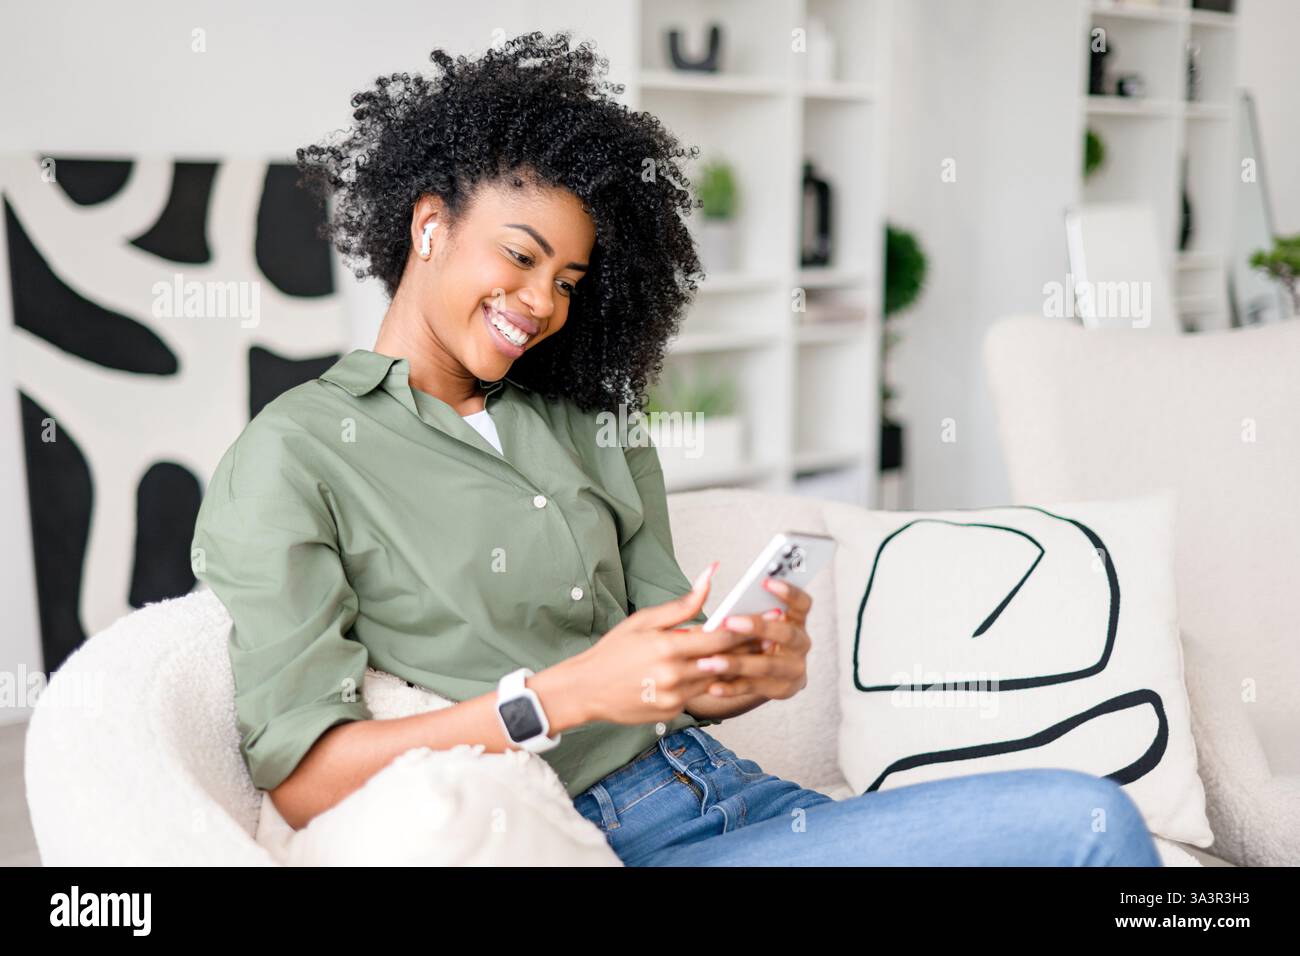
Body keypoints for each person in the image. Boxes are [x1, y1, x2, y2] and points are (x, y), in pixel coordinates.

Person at [190, 30, 1161, 867]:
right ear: (429, 225)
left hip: (737, 798)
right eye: (521, 255)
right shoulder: (296, 454)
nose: (541, 302)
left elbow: (667, 669)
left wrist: (743, 673)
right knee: (1086, 820)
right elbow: (305, 776)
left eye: (568, 278)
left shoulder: (582, 418)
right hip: (603, 835)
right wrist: (557, 696)